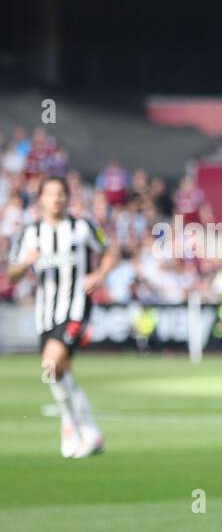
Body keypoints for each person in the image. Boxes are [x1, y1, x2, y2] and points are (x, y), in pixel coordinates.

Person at [5, 176, 118, 458]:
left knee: (50, 366)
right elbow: (11, 274)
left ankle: (69, 425)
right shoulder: (30, 232)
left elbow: (109, 252)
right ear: (41, 198)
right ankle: (90, 431)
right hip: (46, 315)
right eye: (50, 194)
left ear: (68, 197)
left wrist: (99, 275)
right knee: (59, 373)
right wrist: (25, 264)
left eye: (60, 193)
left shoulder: (83, 226)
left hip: (77, 307)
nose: (56, 199)